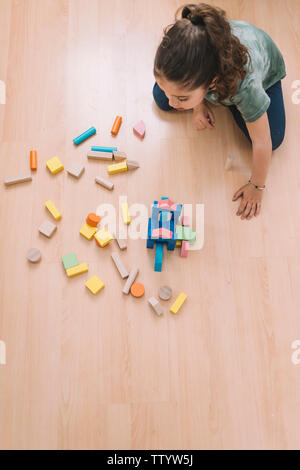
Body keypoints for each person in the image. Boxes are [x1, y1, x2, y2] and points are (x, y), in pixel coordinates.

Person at [153, 3, 286, 220]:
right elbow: (180, 89)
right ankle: (202, 97)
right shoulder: (185, 55)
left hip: (263, 74)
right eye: (166, 87)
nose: (173, 101)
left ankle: (231, 103)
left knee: (275, 137)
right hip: (211, 72)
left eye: (182, 97)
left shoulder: (246, 85)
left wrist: (257, 186)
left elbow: (263, 142)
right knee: (160, 99)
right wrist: (197, 105)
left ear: (211, 81)